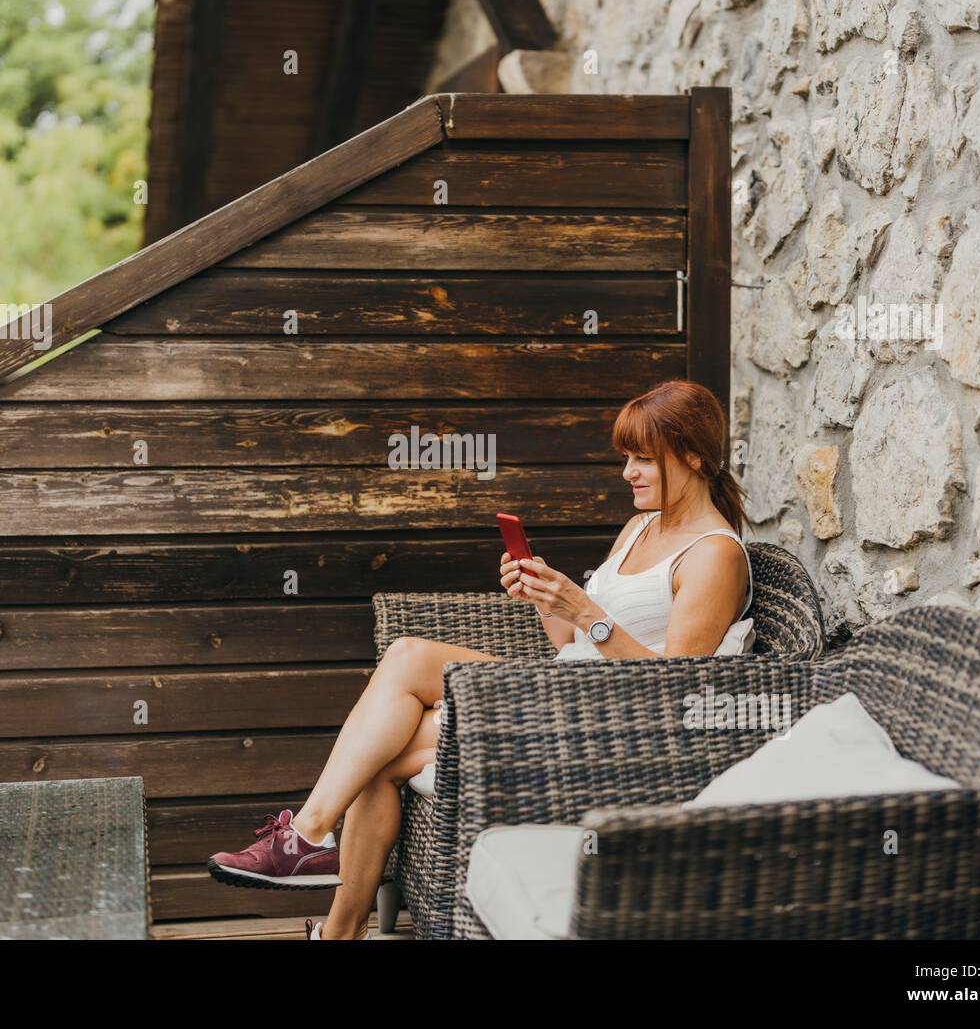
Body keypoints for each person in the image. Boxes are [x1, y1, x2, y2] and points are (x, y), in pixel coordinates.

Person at [206, 380, 752, 939]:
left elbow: (678, 691)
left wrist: (586, 609)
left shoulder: (714, 555)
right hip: (564, 688)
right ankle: (314, 851)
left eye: (643, 459)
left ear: (693, 455)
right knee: (406, 657)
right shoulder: (641, 527)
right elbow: (572, 646)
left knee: (378, 753)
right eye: (626, 458)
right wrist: (546, 597)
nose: (627, 472)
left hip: (601, 728)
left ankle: (318, 876)